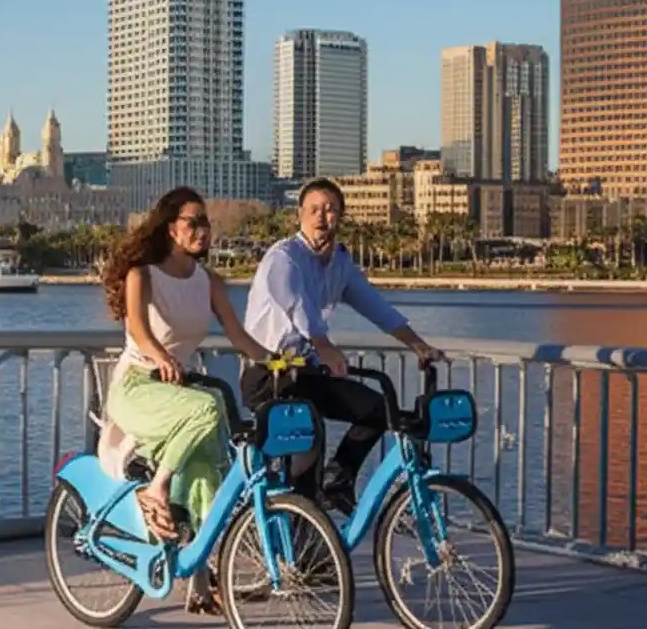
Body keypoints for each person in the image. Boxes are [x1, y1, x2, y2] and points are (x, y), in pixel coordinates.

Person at [101, 186, 270, 614]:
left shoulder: (207, 281)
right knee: (208, 406)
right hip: (138, 387)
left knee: (208, 476)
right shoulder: (142, 275)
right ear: (171, 229)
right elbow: (139, 330)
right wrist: (161, 357)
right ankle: (156, 489)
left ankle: (199, 584)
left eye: (205, 222)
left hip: (179, 390)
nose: (202, 230)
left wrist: (276, 361)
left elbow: (237, 334)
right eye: (192, 222)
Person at [240, 178, 445, 514]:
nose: (322, 217)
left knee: (378, 409)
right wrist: (323, 345)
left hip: (307, 370)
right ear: (300, 215)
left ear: (341, 216)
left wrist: (418, 345)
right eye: (314, 210)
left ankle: (339, 479)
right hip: (268, 373)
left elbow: (375, 306)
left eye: (331, 209)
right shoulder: (283, 258)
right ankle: (303, 530)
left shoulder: (340, 264)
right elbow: (296, 305)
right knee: (309, 433)